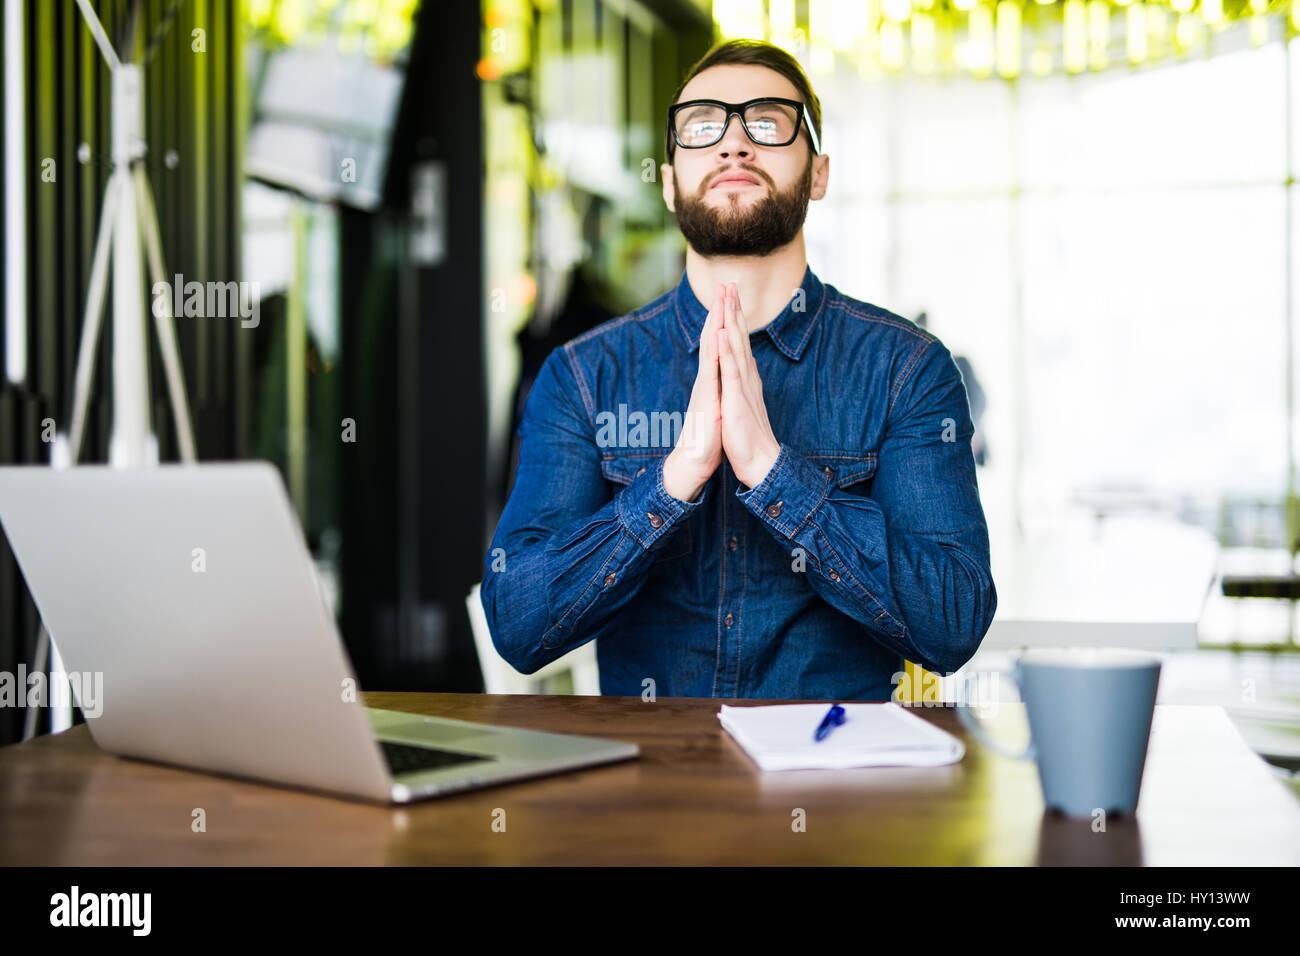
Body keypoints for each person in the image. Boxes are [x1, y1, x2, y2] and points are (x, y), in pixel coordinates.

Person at [481, 39, 997, 700]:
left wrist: (777, 475)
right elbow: (518, 627)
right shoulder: (583, 376)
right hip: (653, 789)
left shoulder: (909, 370)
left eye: (767, 122)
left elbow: (953, 623)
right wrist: (669, 484)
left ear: (818, 172)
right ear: (669, 181)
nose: (732, 144)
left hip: (843, 784)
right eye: (702, 126)